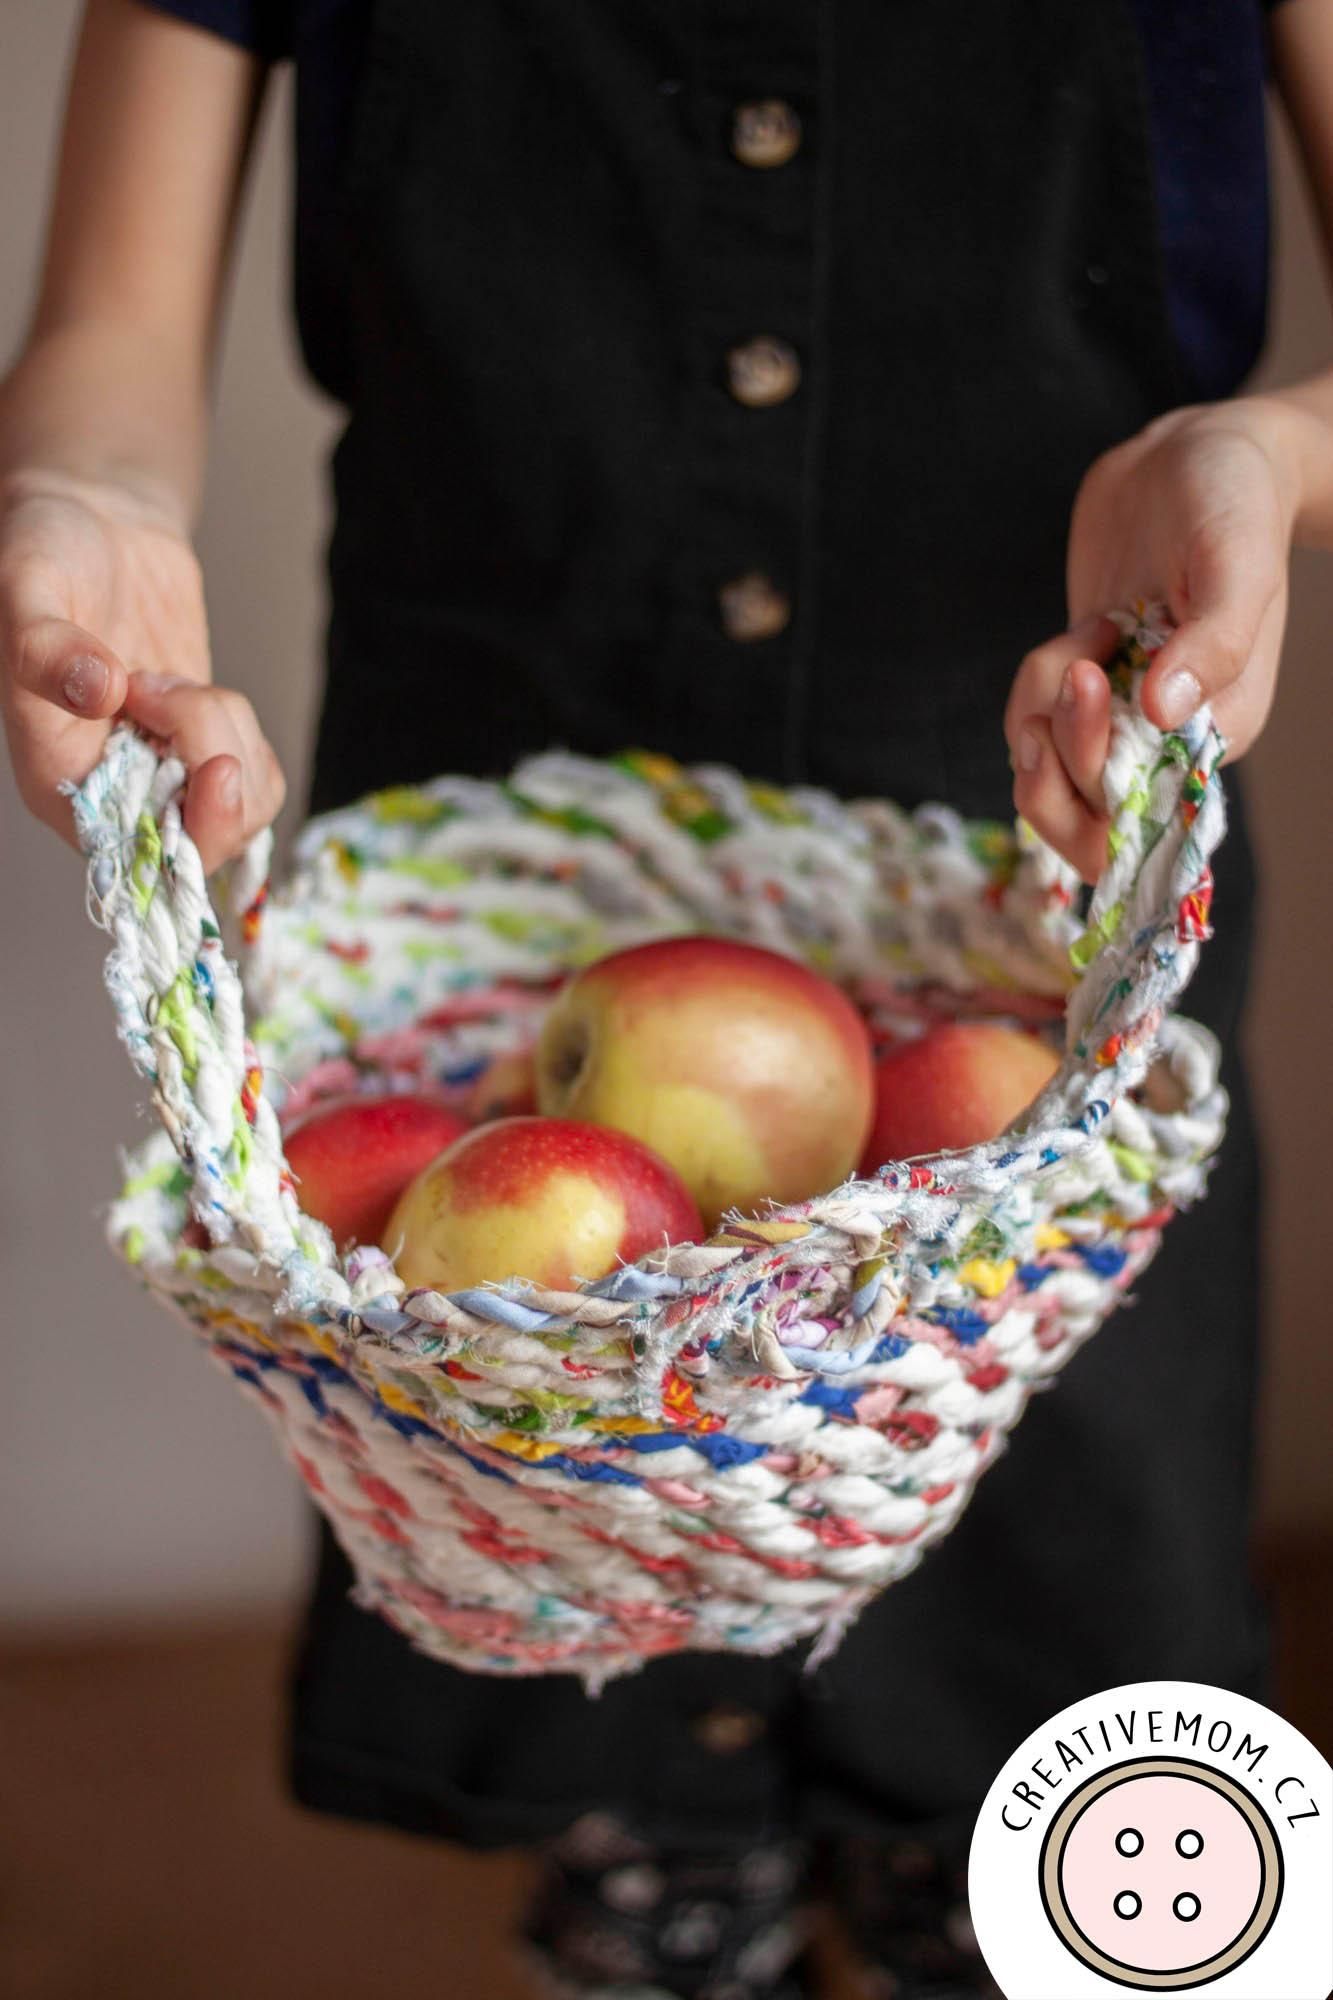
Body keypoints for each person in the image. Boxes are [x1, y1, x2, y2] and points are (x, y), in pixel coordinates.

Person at [3, 3, 1331, 1995]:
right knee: (613, 1776)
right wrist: (81, 505)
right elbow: (109, 341)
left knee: (1035, 1818)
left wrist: (1264, 451)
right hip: (486, 935)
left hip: (1017, 949)